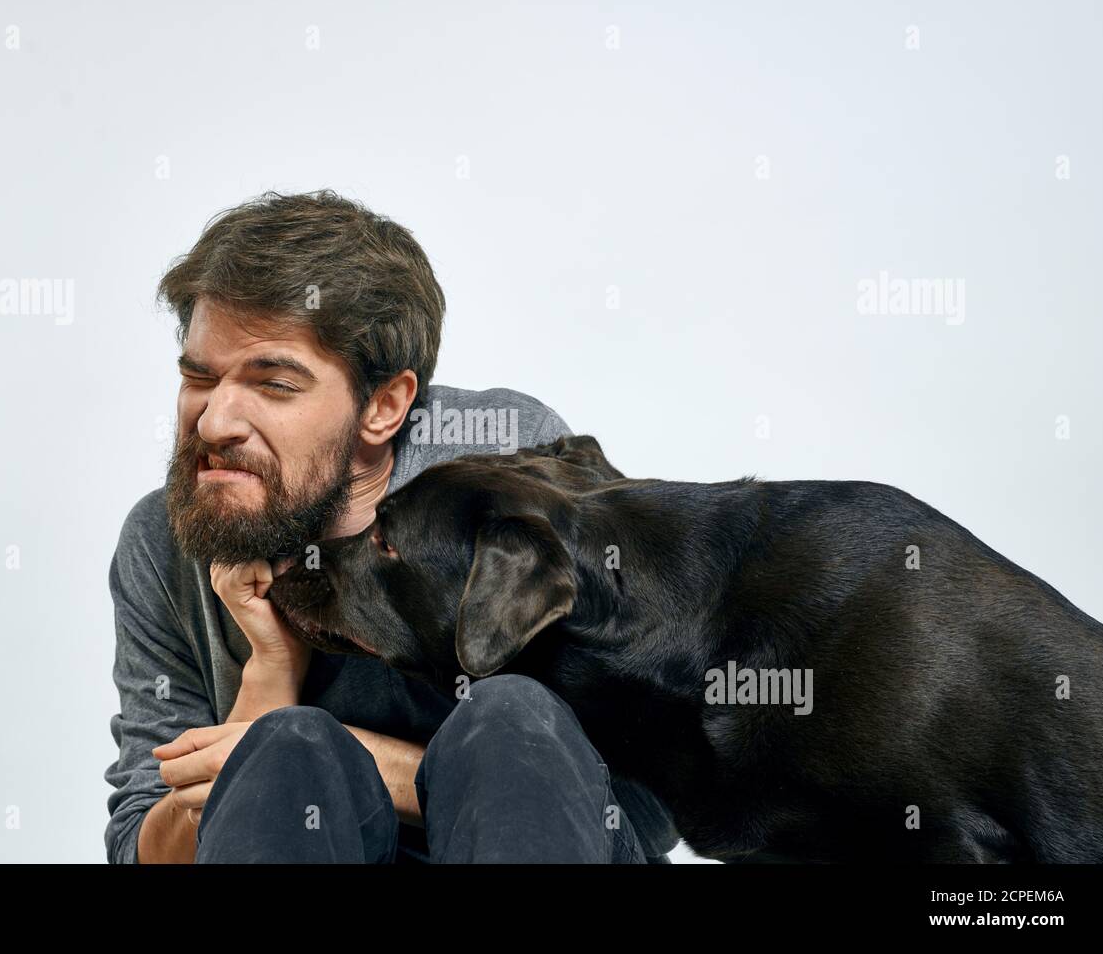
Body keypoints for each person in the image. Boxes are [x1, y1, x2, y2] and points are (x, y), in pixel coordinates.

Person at [103, 189, 680, 863]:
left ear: (384, 405)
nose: (213, 421)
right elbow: (138, 850)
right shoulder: (167, 539)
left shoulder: (504, 473)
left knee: (507, 722)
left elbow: (650, 809)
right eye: (200, 378)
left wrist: (371, 763)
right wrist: (267, 693)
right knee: (288, 749)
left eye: (273, 385)